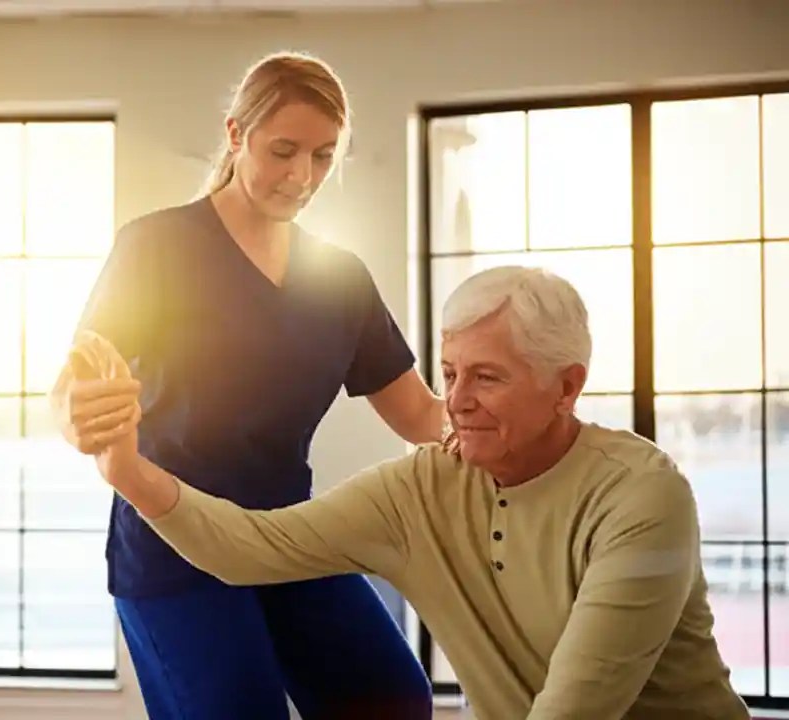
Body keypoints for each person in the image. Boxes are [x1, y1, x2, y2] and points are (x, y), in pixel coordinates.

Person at [85, 265, 752, 720]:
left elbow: (574, 709)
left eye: (487, 377)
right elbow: (254, 547)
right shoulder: (424, 486)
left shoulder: (641, 499)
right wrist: (129, 472)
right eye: (451, 372)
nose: (456, 402)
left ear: (567, 387)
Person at [50, 51, 447, 718]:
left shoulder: (339, 277)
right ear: (236, 135)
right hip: (172, 550)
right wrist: (80, 415)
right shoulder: (157, 248)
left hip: (289, 539)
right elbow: (73, 389)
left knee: (394, 700)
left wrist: (515, 410)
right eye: (284, 150)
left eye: (323, 157)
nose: (303, 176)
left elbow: (419, 415)